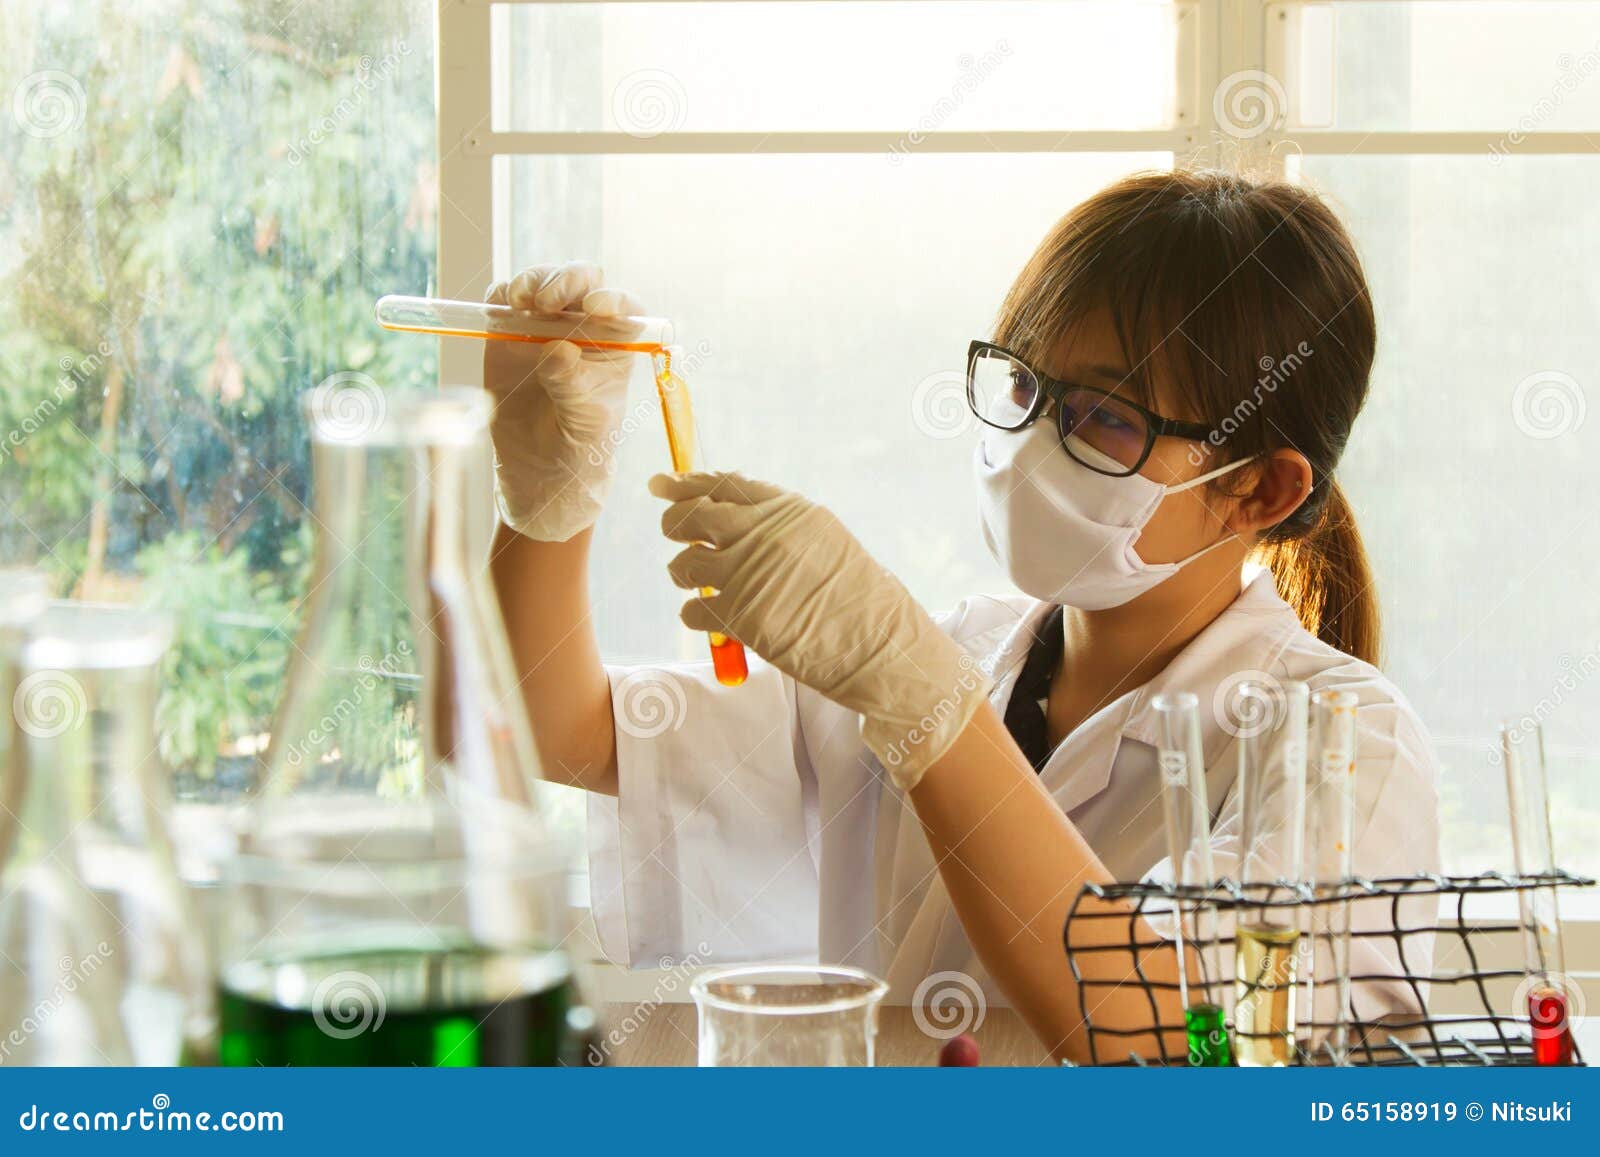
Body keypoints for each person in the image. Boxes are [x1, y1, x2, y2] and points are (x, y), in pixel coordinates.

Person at [482, 169, 1440, 1063]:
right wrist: (547, 503)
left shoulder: (1346, 743)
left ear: (1260, 490)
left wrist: (924, 700)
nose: (1028, 446)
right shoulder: (952, 655)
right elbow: (555, 727)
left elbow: (1163, 1031)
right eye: (1023, 387)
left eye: (1104, 415)